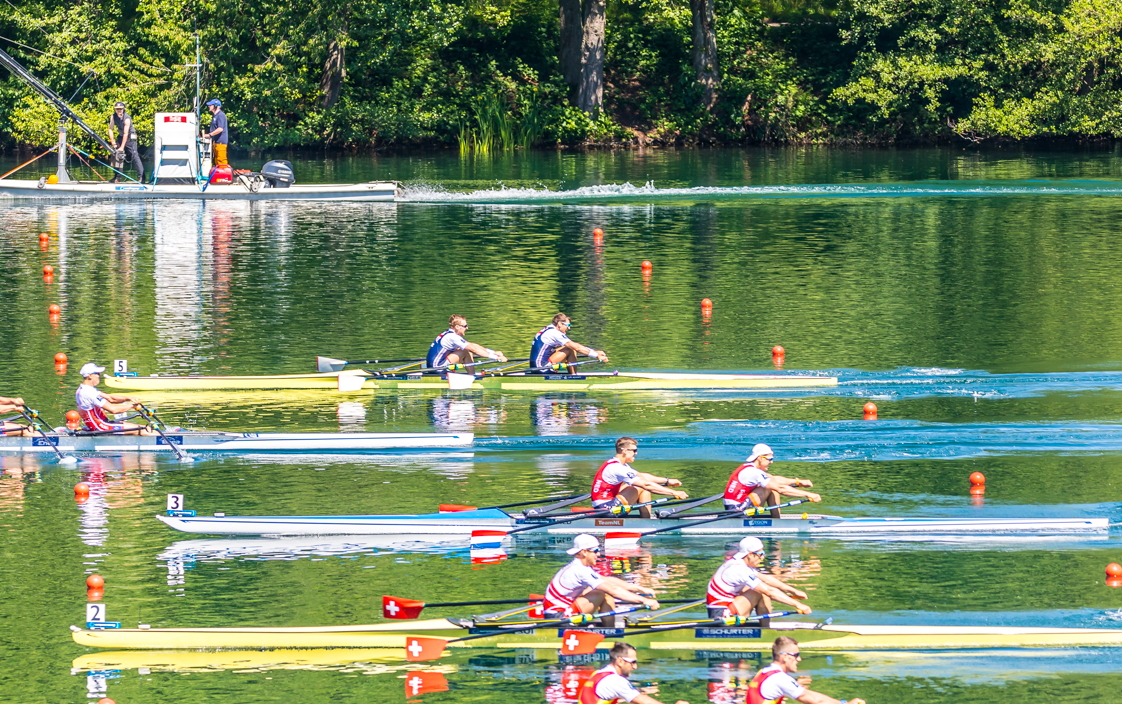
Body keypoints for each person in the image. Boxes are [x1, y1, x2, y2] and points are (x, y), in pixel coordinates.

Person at [543, 534, 661, 621]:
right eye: (595, 551)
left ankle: (609, 628)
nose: (598, 554)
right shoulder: (579, 570)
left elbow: (607, 580)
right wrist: (644, 600)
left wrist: (639, 589)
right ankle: (611, 632)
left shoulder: (581, 566)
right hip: (559, 616)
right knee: (604, 593)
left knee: (601, 589)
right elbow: (613, 590)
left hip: (560, 610)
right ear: (584, 552)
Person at [706, 536, 811, 620]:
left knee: (758, 587)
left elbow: (766, 579)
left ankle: (765, 629)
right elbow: (769, 591)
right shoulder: (738, 569)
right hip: (721, 616)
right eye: (760, 554)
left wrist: (793, 591)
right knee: (761, 591)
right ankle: (766, 632)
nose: (763, 557)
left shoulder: (739, 563)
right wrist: (798, 605)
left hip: (726, 609)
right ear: (750, 554)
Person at [747, 636, 865, 704]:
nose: (799, 659)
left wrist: (795, 686)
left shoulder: (764, 671)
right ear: (784, 657)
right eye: (796, 655)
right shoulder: (780, 679)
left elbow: (807, 694)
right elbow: (814, 700)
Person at [592, 437, 688, 518]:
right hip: (606, 510)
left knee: (641, 483)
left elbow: (643, 476)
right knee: (642, 486)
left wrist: (667, 481)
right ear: (625, 451)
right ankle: (647, 521)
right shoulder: (616, 467)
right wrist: (674, 492)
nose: (636, 453)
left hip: (606, 506)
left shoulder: (618, 464)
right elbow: (646, 484)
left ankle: (646, 518)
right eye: (634, 450)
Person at [723, 444, 820, 518]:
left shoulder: (749, 467)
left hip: (735, 507)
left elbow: (774, 479)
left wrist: (797, 482)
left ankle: (776, 520)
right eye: (770, 459)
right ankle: (776, 522)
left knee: (770, 482)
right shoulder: (753, 472)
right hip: (738, 510)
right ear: (760, 458)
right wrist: (808, 495)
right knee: (771, 488)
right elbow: (781, 488)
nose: (771, 462)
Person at [580, 641, 688, 704]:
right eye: (633, 662)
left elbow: (612, 695)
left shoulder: (598, 673)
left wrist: (640, 690)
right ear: (620, 661)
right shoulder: (615, 681)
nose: (635, 667)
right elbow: (642, 701)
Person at [75, 363, 155, 435]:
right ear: (90, 375)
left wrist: (129, 398)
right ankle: (162, 442)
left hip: (100, 424)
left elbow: (110, 398)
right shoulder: (88, 393)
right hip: (101, 427)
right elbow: (113, 410)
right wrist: (132, 406)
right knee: (145, 429)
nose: (99, 375)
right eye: (97, 373)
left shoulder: (85, 389)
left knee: (130, 425)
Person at [426, 315, 508, 372]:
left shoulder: (449, 334)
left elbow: (472, 345)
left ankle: (471, 375)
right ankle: (472, 377)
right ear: (457, 327)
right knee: (466, 351)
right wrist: (496, 358)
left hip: (435, 365)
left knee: (467, 349)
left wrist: (493, 352)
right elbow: (474, 349)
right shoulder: (452, 337)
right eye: (465, 326)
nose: (467, 328)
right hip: (437, 368)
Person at [530, 313, 608, 373]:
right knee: (571, 349)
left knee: (570, 347)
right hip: (542, 368)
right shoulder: (554, 333)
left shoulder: (549, 328)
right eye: (568, 325)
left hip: (536, 365)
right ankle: (574, 378)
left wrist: (594, 352)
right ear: (560, 323)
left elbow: (575, 345)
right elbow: (575, 347)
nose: (569, 328)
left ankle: (572, 375)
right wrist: (597, 356)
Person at [107, 101, 144, 183]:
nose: (119, 110)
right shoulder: (113, 117)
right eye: (117, 109)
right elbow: (110, 129)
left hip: (130, 136)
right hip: (121, 135)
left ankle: (141, 177)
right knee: (117, 154)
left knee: (134, 155)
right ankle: (117, 177)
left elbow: (126, 133)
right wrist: (112, 141)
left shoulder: (126, 118)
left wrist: (122, 147)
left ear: (123, 109)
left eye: (120, 109)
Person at [204, 99, 229, 167]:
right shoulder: (215, 116)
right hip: (216, 142)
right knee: (216, 161)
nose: (209, 106)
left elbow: (220, 129)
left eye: (210, 105)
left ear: (215, 106)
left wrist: (209, 135)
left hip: (221, 142)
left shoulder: (221, 115)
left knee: (221, 161)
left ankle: (223, 176)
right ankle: (218, 176)